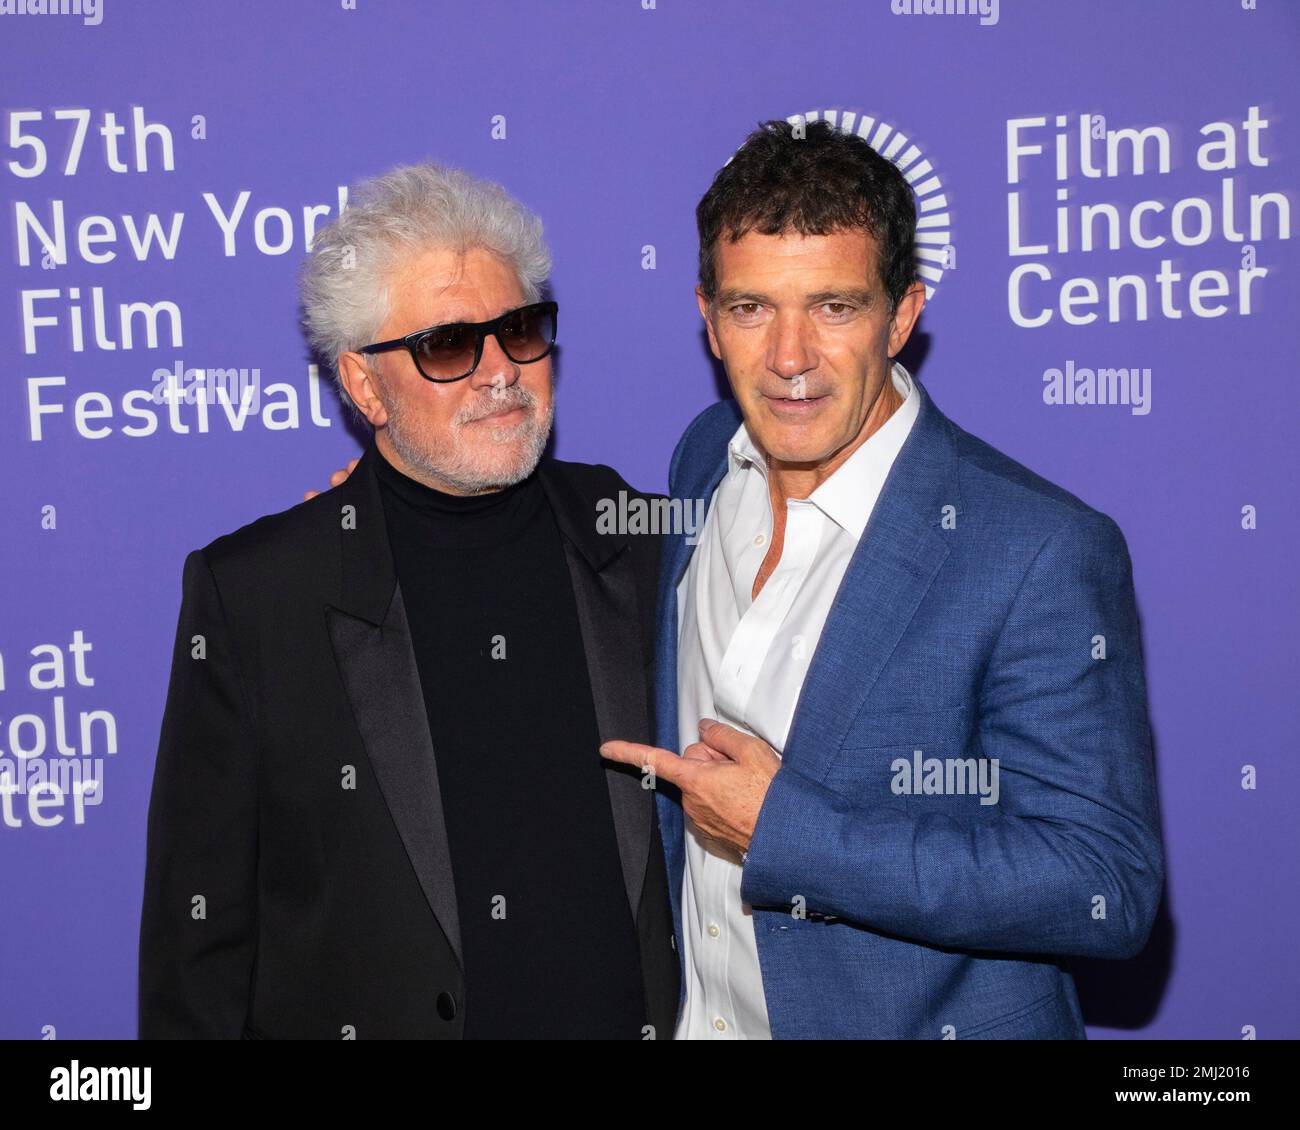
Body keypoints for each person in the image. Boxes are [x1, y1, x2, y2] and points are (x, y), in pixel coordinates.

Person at [601, 119, 1165, 1039]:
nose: (788, 358)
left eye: (833, 306)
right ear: (707, 318)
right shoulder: (705, 459)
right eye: (751, 309)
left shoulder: (1036, 550)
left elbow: (1103, 880)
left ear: (902, 315)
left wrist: (786, 835)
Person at [138, 163, 678, 1039]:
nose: (500, 371)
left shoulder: (651, 544)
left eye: (521, 330)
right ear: (362, 385)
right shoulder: (257, 596)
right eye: (448, 345)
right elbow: (198, 949)